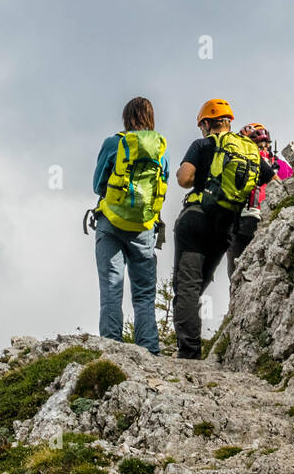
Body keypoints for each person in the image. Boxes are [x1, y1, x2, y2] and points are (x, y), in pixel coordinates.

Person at [172, 99, 276, 359]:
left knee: (187, 286)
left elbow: (184, 179)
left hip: (196, 219)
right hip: (226, 227)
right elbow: (272, 179)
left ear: (207, 123)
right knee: (200, 284)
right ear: (229, 122)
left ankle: (189, 352)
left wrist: (203, 176)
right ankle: (193, 342)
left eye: (202, 126)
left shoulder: (202, 145)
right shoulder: (249, 149)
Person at [91, 96, 168, 354]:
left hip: (110, 224)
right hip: (144, 227)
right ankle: (150, 350)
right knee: (144, 294)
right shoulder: (160, 149)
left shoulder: (114, 143)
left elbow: (98, 185)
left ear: (126, 118)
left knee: (111, 288)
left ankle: (112, 349)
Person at [226, 123, 294, 279]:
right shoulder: (280, 166)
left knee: (236, 274)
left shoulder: (237, 163)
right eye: (261, 145)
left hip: (241, 223)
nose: (262, 149)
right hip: (272, 222)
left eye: (263, 146)